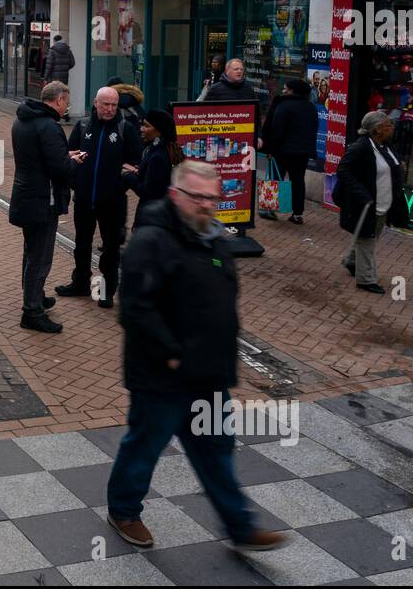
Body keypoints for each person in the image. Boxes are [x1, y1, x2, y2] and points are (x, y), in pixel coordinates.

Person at [105, 159, 286, 551]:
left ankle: (240, 526)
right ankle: (123, 509)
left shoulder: (215, 239)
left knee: (216, 453)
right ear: (175, 195)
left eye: (212, 198)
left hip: (208, 376)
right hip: (161, 377)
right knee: (144, 447)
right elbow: (135, 308)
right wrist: (171, 355)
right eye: (196, 197)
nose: (205, 205)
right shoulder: (150, 241)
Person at [9, 81, 86, 333]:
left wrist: (64, 155)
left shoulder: (22, 120)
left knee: (30, 252)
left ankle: (36, 297)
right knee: (40, 258)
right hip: (43, 200)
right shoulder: (49, 126)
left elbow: (39, 158)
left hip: (26, 196)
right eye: (67, 102)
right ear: (59, 100)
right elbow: (60, 169)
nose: (67, 107)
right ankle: (32, 311)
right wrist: (73, 161)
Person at [57, 86, 143, 308]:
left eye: (114, 105)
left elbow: (135, 163)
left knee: (111, 249)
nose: (110, 109)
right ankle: (80, 283)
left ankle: (106, 291)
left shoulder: (126, 129)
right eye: (106, 104)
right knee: (81, 245)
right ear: (96, 103)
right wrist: (76, 181)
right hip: (84, 199)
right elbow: (69, 154)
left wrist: (120, 182)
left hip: (112, 202)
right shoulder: (83, 125)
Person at [335, 111, 407, 294]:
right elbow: (343, 170)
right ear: (378, 129)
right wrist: (362, 194)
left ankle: (351, 261)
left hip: (384, 202)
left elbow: (391, 164)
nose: (392, 128)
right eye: (389, 125)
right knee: (367, 239)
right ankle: (366, 279)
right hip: (366, 203)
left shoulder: (386, 146)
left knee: (368, 236)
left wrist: (399, 167)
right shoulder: (361, 148)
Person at [260, 78, 318, 224]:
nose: (283, 90)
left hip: (282, 151)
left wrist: (270, 150)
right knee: (298, 181)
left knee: (275, 178)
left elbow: (276, 131)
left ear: (293, 91)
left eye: (286, 88)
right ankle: (297, 213)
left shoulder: (283, 106)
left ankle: (269, 208)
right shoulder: (310, 107)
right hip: (302, 153)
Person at [122, 108, 175, 227]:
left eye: (146, 126)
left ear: (159, 130)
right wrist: (138, 170)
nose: (142, 129)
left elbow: (148, 192)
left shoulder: (158, 156)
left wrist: (127, 175)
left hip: (151, 218)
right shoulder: (158, 149)